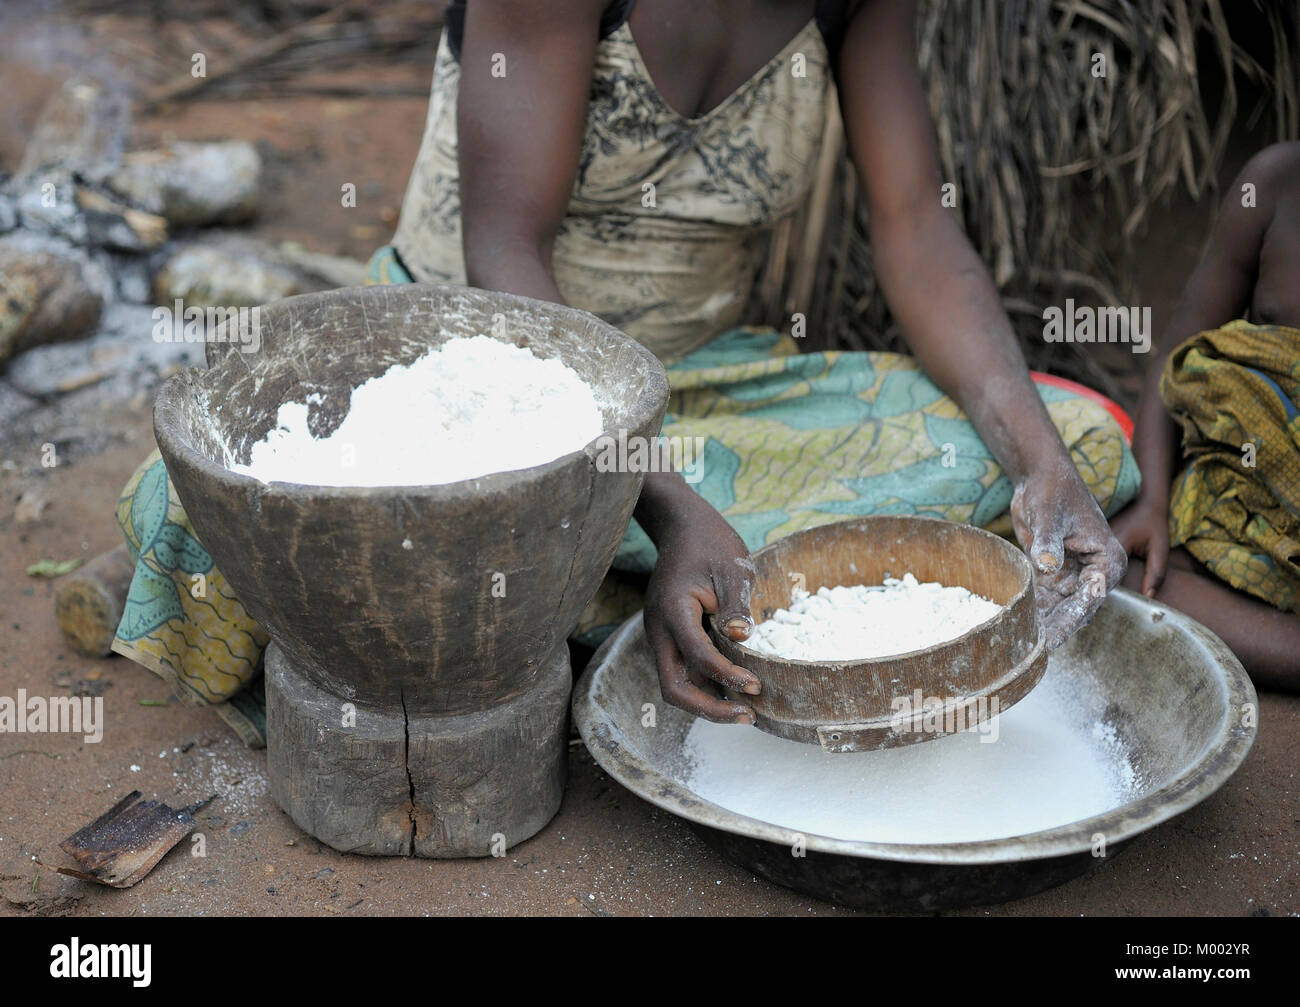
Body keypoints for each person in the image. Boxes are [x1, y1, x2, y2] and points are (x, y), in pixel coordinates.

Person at [113, 0, 1136, 742]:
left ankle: (582, 605)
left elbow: (917, 229)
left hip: (696, 379)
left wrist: (1037, 463)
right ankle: (641, 579)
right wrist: (672, 508)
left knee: (1070, 439)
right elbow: (505, 257)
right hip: (471, 374)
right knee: (219, 514)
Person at [1111, 142, 1300, 689]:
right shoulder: (1273, 183)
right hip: (1245, 509)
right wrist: (1152, 501)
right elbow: (1178, 356)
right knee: (1122, 570)